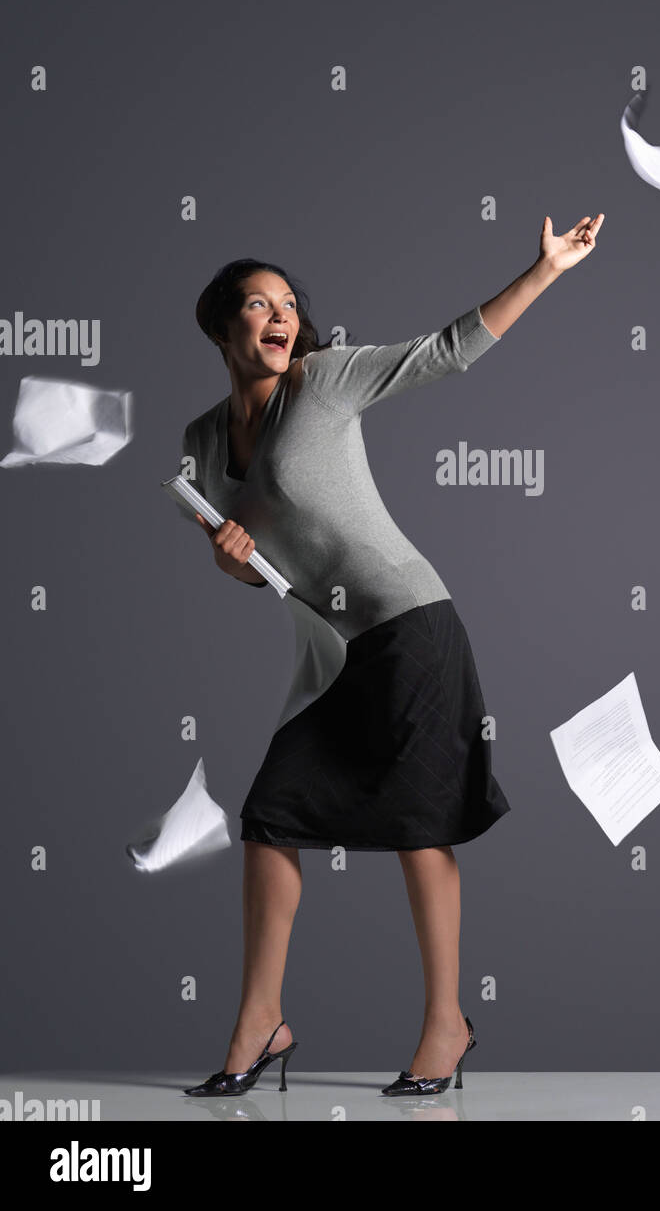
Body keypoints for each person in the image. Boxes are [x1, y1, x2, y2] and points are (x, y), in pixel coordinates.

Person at [178, 212, 604, 1097]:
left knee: (420, 823)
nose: (279, 316)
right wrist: (235, 568)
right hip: (335, 654)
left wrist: (547, 270)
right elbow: (264, 572)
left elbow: (447, 350)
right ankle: (261, 1024)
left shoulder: (324, 382)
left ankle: (446, 1026)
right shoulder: (202, 445)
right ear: (222, 328)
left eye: (289, 303)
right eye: (257, 305)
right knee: (272, 817)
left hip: (411, 625)